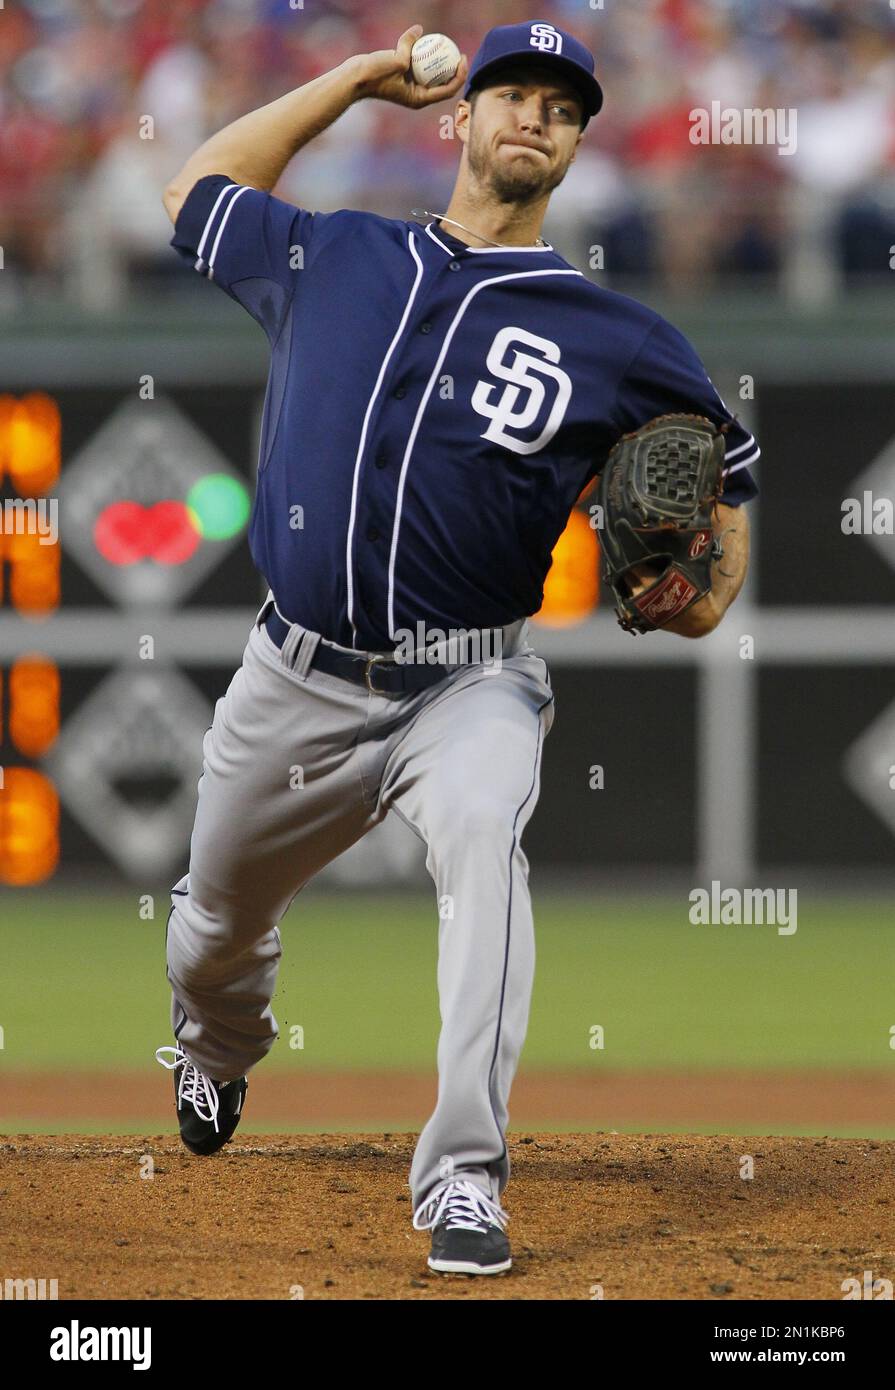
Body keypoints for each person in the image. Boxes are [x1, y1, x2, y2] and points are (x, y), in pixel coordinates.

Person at [155, 20, 759, 1277]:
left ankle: (465, 1180)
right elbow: (194, 190)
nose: (533, 115)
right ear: (461, 118)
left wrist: (703, 595)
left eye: (560, 104)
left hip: (469, 679)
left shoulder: (618, 337)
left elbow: (728, 498)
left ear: (579, 142)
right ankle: (215, 1052)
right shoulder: (337, 251)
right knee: (211, 930)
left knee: (485, 839)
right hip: (294, 676)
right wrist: (350, 80)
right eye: (511, 93)